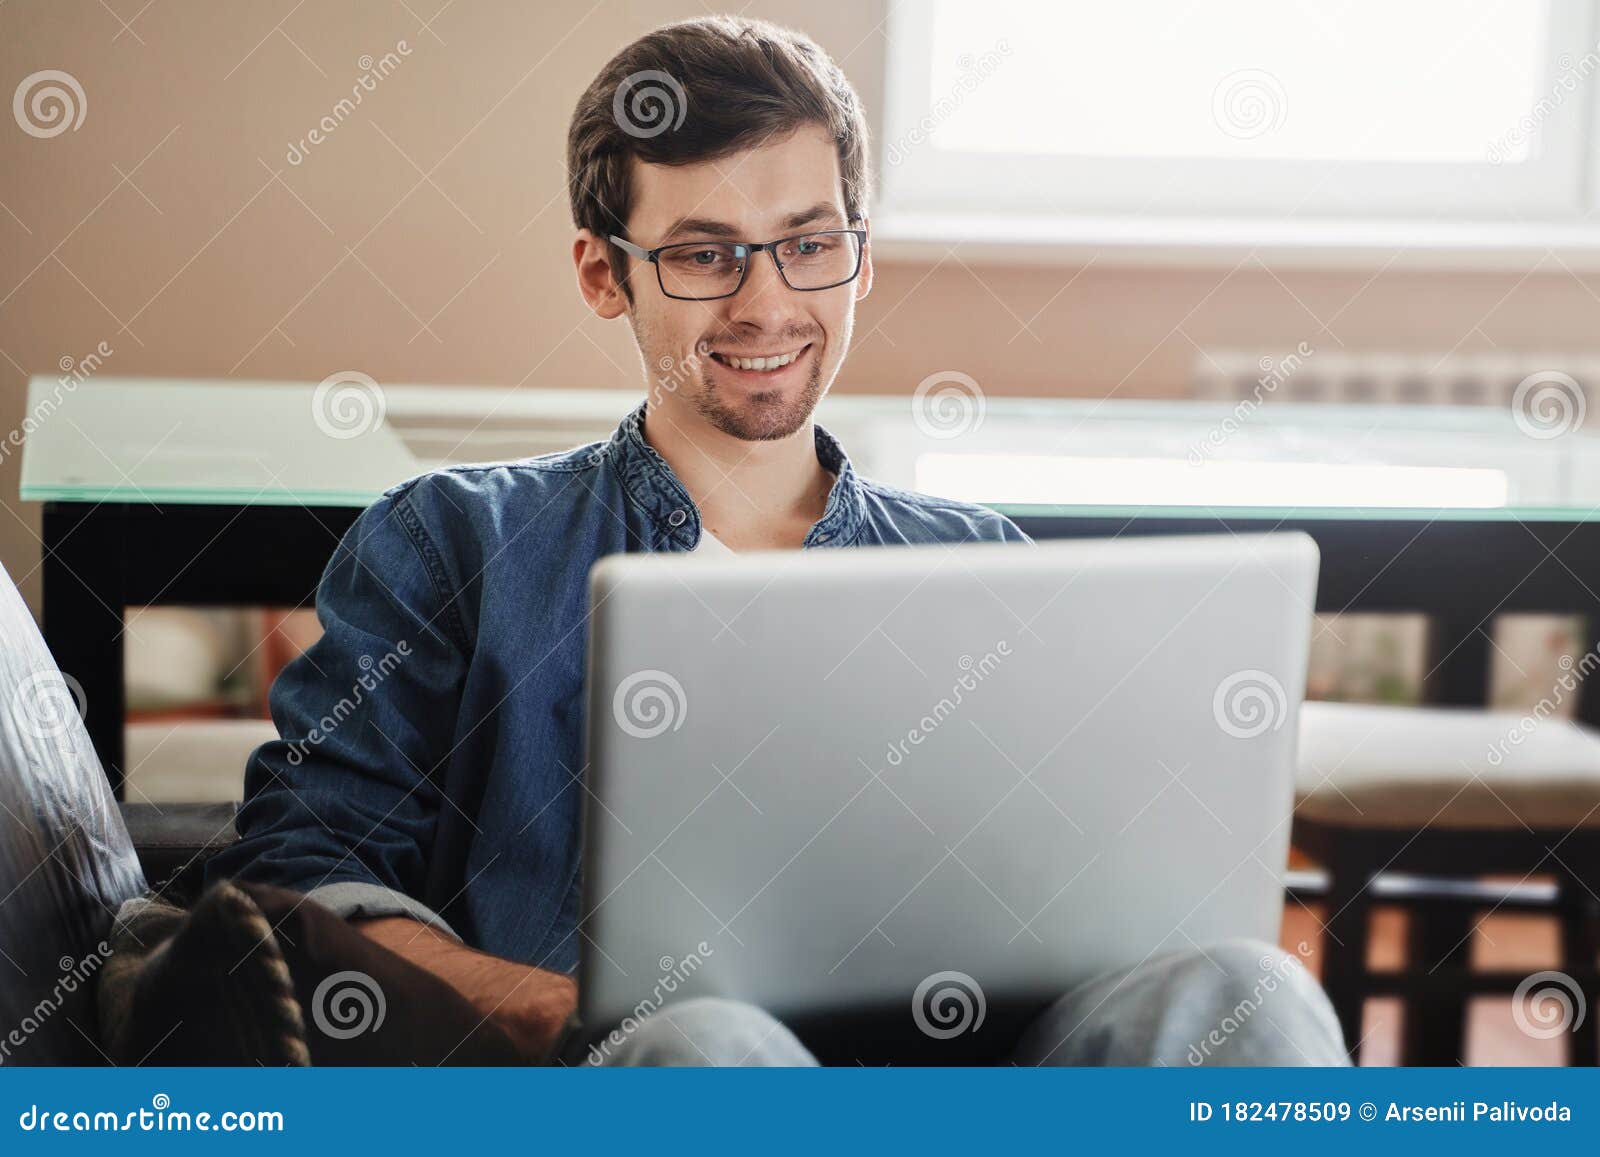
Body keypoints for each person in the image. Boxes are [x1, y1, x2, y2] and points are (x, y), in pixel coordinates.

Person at [206, 14, 1348, 1068]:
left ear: (859, 249)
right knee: (706, 1047)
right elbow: (303, 870)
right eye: (706, 256)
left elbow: (1093, 906)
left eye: (806, 244)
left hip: (956, 1073)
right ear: (605, 272)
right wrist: (556, 1007)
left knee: (1253, 986)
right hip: (653, 1072)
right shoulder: (460, 540)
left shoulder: (980, 565)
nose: (766, 304)